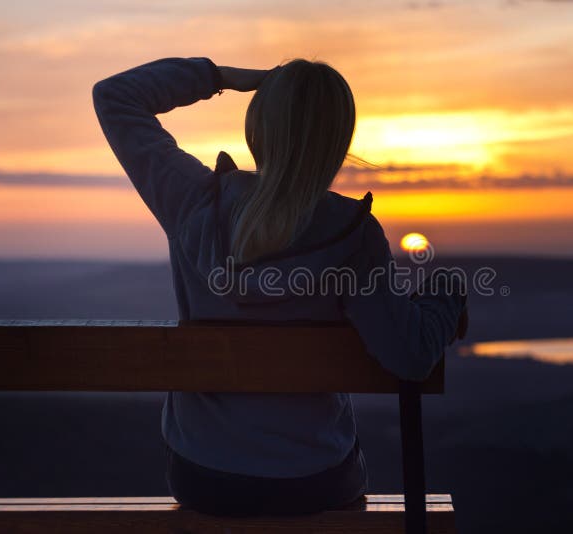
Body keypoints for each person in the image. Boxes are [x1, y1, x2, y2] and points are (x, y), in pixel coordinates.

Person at [92, 56, 467, 516]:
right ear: (336, 141)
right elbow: (409, 355)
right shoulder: (353, 234)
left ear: (258, 126)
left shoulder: (193, 201)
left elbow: (116, 96)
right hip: (315, 480)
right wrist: (446, 293)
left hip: (203, 477)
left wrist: (224, 78)